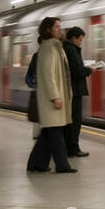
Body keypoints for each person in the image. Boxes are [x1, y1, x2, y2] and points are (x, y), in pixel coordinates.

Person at [26, 16, 75, 174]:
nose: (59, 29)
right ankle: (62, 165)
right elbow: (48, 76)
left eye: (60, 27)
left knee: (48, 133)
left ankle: (36, 164)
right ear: (48, 29)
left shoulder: (55, 46)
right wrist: (56, 97)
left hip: (54, 96)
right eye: (56, 27)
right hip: (51, 98)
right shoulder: (48, 48)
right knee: (55, 133)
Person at [63, 26, 90, 157]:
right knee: (75, 121)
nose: (80, 43)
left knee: (71, 121)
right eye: (79, 40)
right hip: (75, 91)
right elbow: (77, 71)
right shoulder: (71, 50)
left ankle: (70, 147)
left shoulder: (67, 48)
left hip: (72, 91)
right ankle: (73, 148)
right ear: (73, 38)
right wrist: (89, 70)